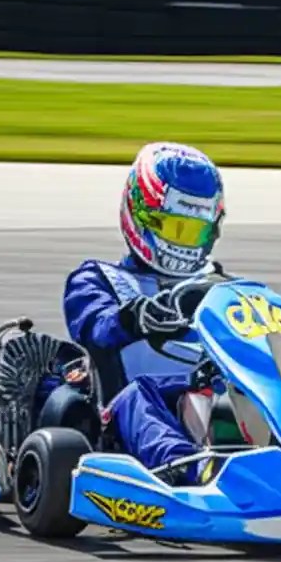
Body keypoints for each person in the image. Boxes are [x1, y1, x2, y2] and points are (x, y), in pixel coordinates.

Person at [61, 142, 226, 485]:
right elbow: (95, 327)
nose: (183, 242)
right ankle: (189, 469)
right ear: (140, 215)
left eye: (194, 231)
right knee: (138, 398)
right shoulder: (96, 278)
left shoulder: (219, 287)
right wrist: (136, 317)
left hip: (212, 397)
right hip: (132, 408)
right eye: (173, 227)